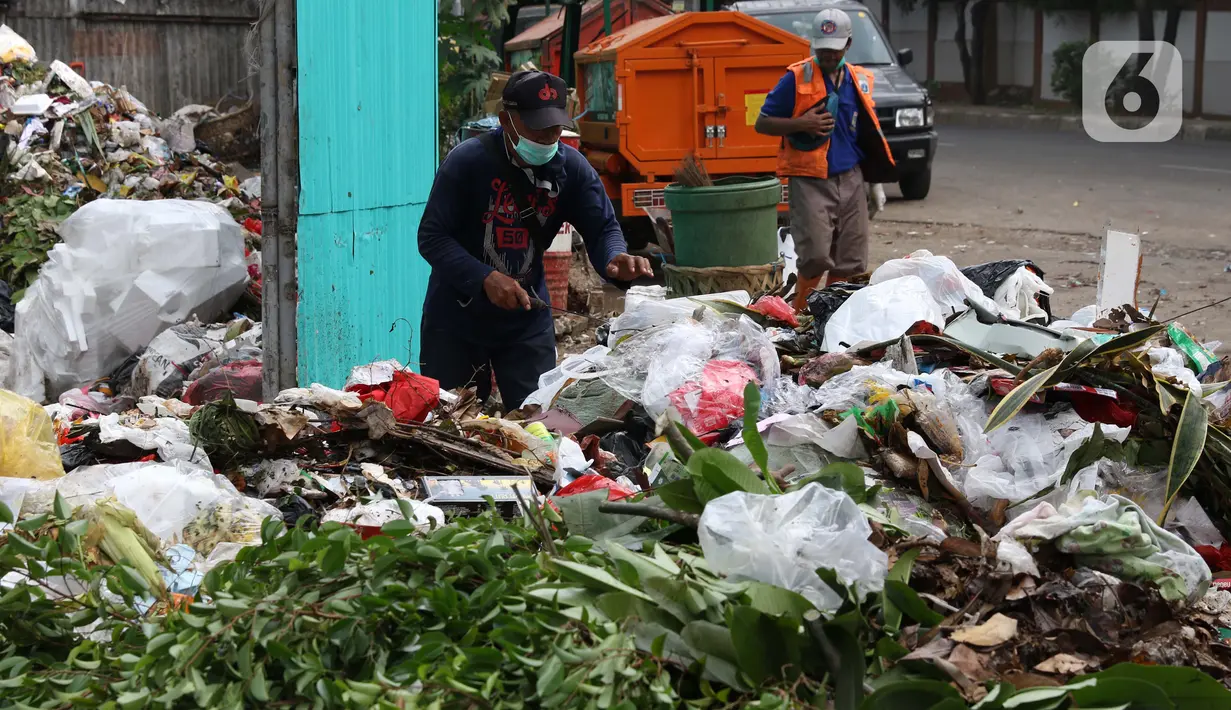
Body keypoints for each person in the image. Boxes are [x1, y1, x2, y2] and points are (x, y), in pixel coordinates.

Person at [418, 70, 652, 408]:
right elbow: (431, 237)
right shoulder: (468, 162)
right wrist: (485, 278)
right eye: (536, 128)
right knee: (451, 420)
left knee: (537, 422)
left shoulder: (572, 168)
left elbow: (603, 228)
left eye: (555, 128)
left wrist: (615, 257)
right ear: (506, 121)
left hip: (526, 319)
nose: (547, 137)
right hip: (456, 318)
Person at [754, 8, 897, 312]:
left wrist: (874, 182)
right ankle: (801, 311)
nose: (828, 56)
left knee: (853, 260)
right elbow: (762, 122)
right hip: (810, 180)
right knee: (816, 255)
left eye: (834, 50)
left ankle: (830, 313)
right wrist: (801, 124)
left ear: (847, 45)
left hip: (851, 177)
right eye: (822, 50)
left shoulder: (858, 80)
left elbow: (867, 133)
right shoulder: (796, 77)